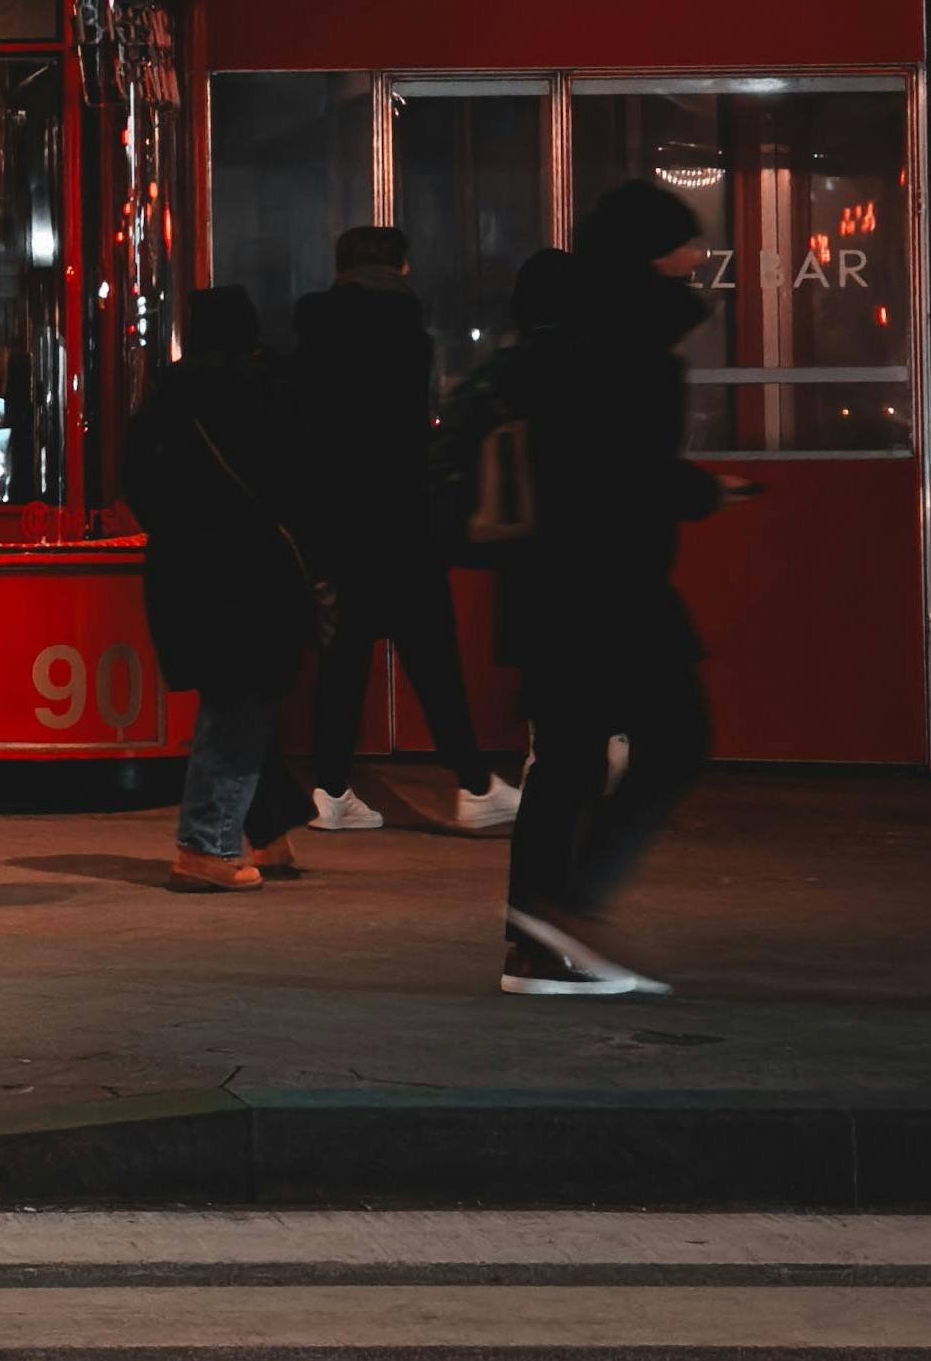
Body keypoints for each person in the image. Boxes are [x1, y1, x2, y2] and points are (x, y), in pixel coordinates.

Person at [465, 177, 724, 998]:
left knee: (567, 762)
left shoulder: (560, 337)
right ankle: (570, 911)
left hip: (547, 585)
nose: (699, 255)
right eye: (686, 242)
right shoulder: (633, 345)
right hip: (611, 588)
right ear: (651, 254)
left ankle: (536, 946)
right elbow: (625, 474)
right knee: (676, 738)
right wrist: (702, 493)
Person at [287, 223, 521, 839]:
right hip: (400, 519)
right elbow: (415, 429)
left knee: (343, 661)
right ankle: (473, 785)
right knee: (433, 655)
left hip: (337, 524)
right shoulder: (407, 328)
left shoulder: (310, 331)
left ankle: (331, 790)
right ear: (401, 268)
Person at [123, 284, 324, 889]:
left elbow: (138, 484)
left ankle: (266, 831)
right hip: (252, 572)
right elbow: (299, 483)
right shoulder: (265, 392)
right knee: (241, 704)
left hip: (182, 572)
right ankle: (204, 846)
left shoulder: (165, 397)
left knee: (236, 698)